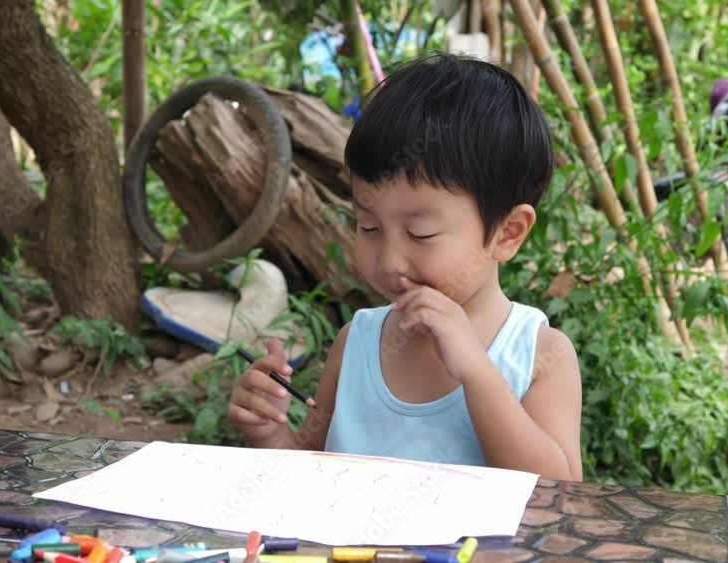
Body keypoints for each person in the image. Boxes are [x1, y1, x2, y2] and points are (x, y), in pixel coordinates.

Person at [227, 53, 583, 481]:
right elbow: (310, 464)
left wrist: (477, 371)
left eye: (420, 234)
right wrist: (270, 434)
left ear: (507, 232)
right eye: (369, 225)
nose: (389, 260)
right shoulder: (356, 344)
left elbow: (560, 494)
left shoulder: (538, 355)